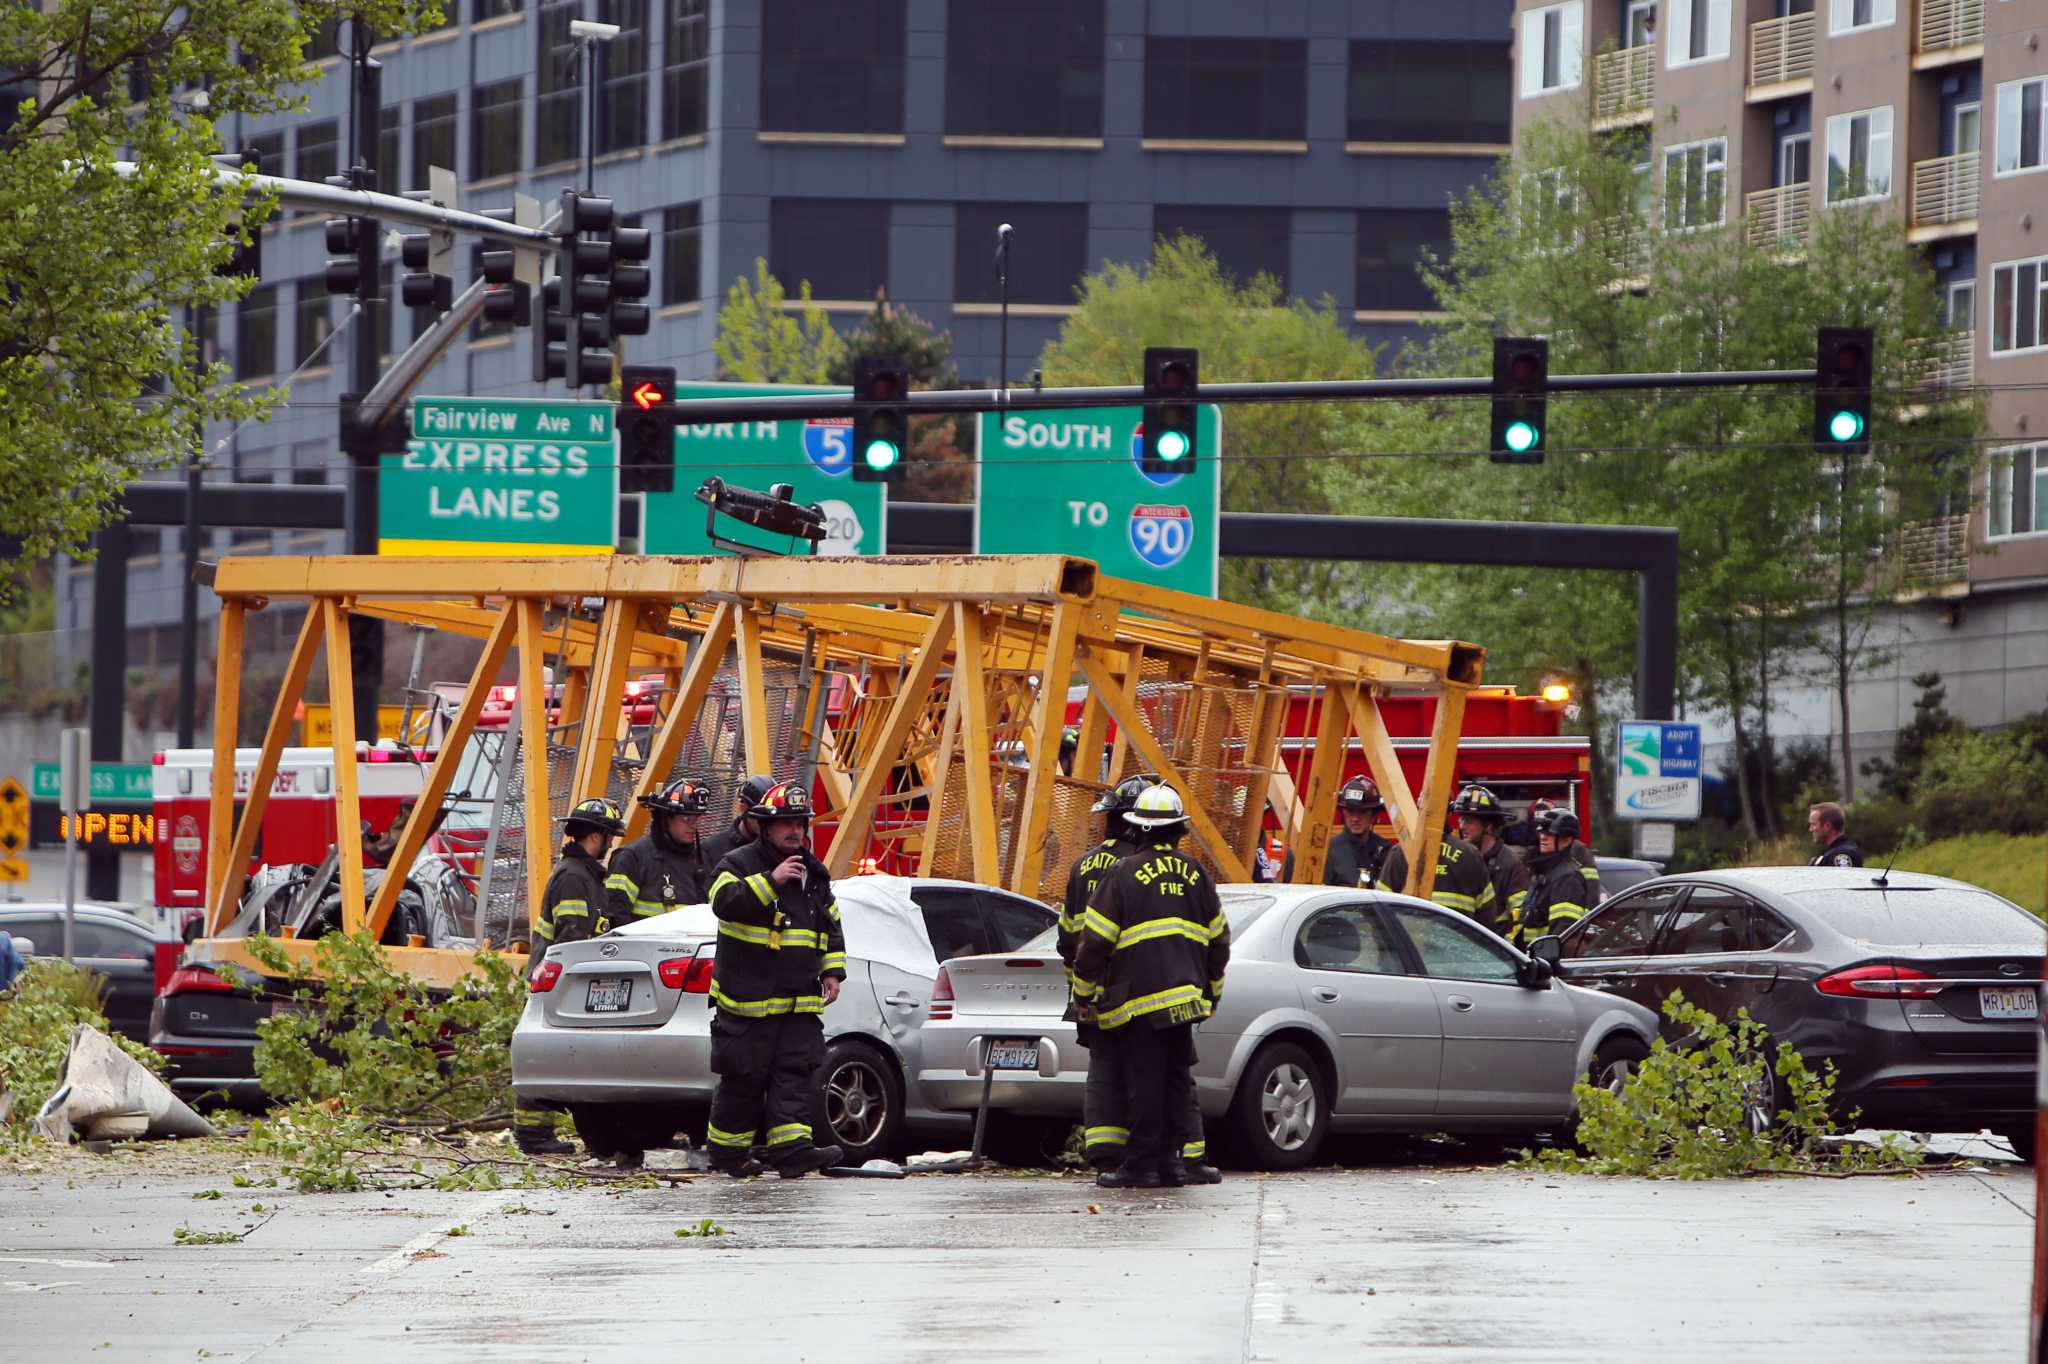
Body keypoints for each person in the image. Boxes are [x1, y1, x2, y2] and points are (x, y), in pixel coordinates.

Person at [1058, 777, 1222, 1183]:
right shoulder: (1197, 875)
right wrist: (1212, 994)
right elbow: (1218, 941)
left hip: (1139, 1000)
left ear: (1137, 827)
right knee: (1174, 1080)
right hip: (1185, 1000)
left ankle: (1141, 1166)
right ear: (1179, 829)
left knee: (1145, 1084)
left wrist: (1083, 995)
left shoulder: (1123, 873)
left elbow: (1092, 943)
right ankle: (1171, 1162)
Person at [704, 780, 846, 1180]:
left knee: (794, 1076)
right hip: (746, 1001)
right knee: (744, 1079)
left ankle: (793, 1152)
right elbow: (724, 903)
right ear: (764, 827)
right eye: (785, 823)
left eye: (799, 823)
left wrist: (832, 971)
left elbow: (830, 925)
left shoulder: (814, 873)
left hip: (799, 1001)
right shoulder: (736, 864)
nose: (795, 831)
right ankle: (729, 1155)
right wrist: (772, 880)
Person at [520, 795, 626, 1158]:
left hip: (569, 978)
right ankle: (533, 1135)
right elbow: (571, 936)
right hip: (556, 977)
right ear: (596, 836)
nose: (611, 842)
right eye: (610, 835)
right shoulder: (573, 877)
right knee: (542, 1052)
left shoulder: (587, 875)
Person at [606, 780, 712, 925]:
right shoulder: (632, 857)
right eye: (686, 818)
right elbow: (614, 914)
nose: (693, 825)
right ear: (665, 818)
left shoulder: (700, 859)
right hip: (640, 946)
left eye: (697, 818)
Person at [1279, 776, 1395, 887]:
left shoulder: (1385, 850)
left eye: (1362, 812)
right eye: (1350, 811)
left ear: (1373, 815)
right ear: (1343, 813)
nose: (1355, 818)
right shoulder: (1327, 851)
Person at [1375, 822, 1497, 924]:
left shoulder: (1400, 852)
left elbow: (1380, 906)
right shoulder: (1470, 854)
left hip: (1412, 942)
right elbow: (1487, 914)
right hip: (1459, 942)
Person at [1452, 784, 1530, 940]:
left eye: (1469, 821)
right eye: (1461, 820)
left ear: (1489, 825)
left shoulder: (1510, 864)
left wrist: (1504, 951)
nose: (1462, 827)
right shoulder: (1461, 857)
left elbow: (1520, 915)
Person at [1519, 806, 1601, 943]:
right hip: (1531, 956)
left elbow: (1563, 929)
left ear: (1567, 840)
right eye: (1542, 833)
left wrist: (1544, 954)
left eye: (1550, 834)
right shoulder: (1546, 872)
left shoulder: (1568, 878)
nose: (1543, 838)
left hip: (1544, 958)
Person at [1530, 796, 1601, 904]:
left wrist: (1588, 916)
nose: (1542, 837)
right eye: (1542, 830)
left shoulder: (1579, 852)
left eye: (1549, 832)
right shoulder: (1537, 853)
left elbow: (1592, 887)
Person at [701, 773, 773, 868]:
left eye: (772, 819)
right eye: (760, 816)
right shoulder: (711, 849)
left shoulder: (777, 849)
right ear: (742, 806)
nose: (767, 824)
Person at [1808, 802, 1865, 867]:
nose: (1810, 829)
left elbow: (1843, 876)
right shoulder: (1833, 852)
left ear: (1827, 826)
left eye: (1813, 824)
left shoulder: (1841, 854)